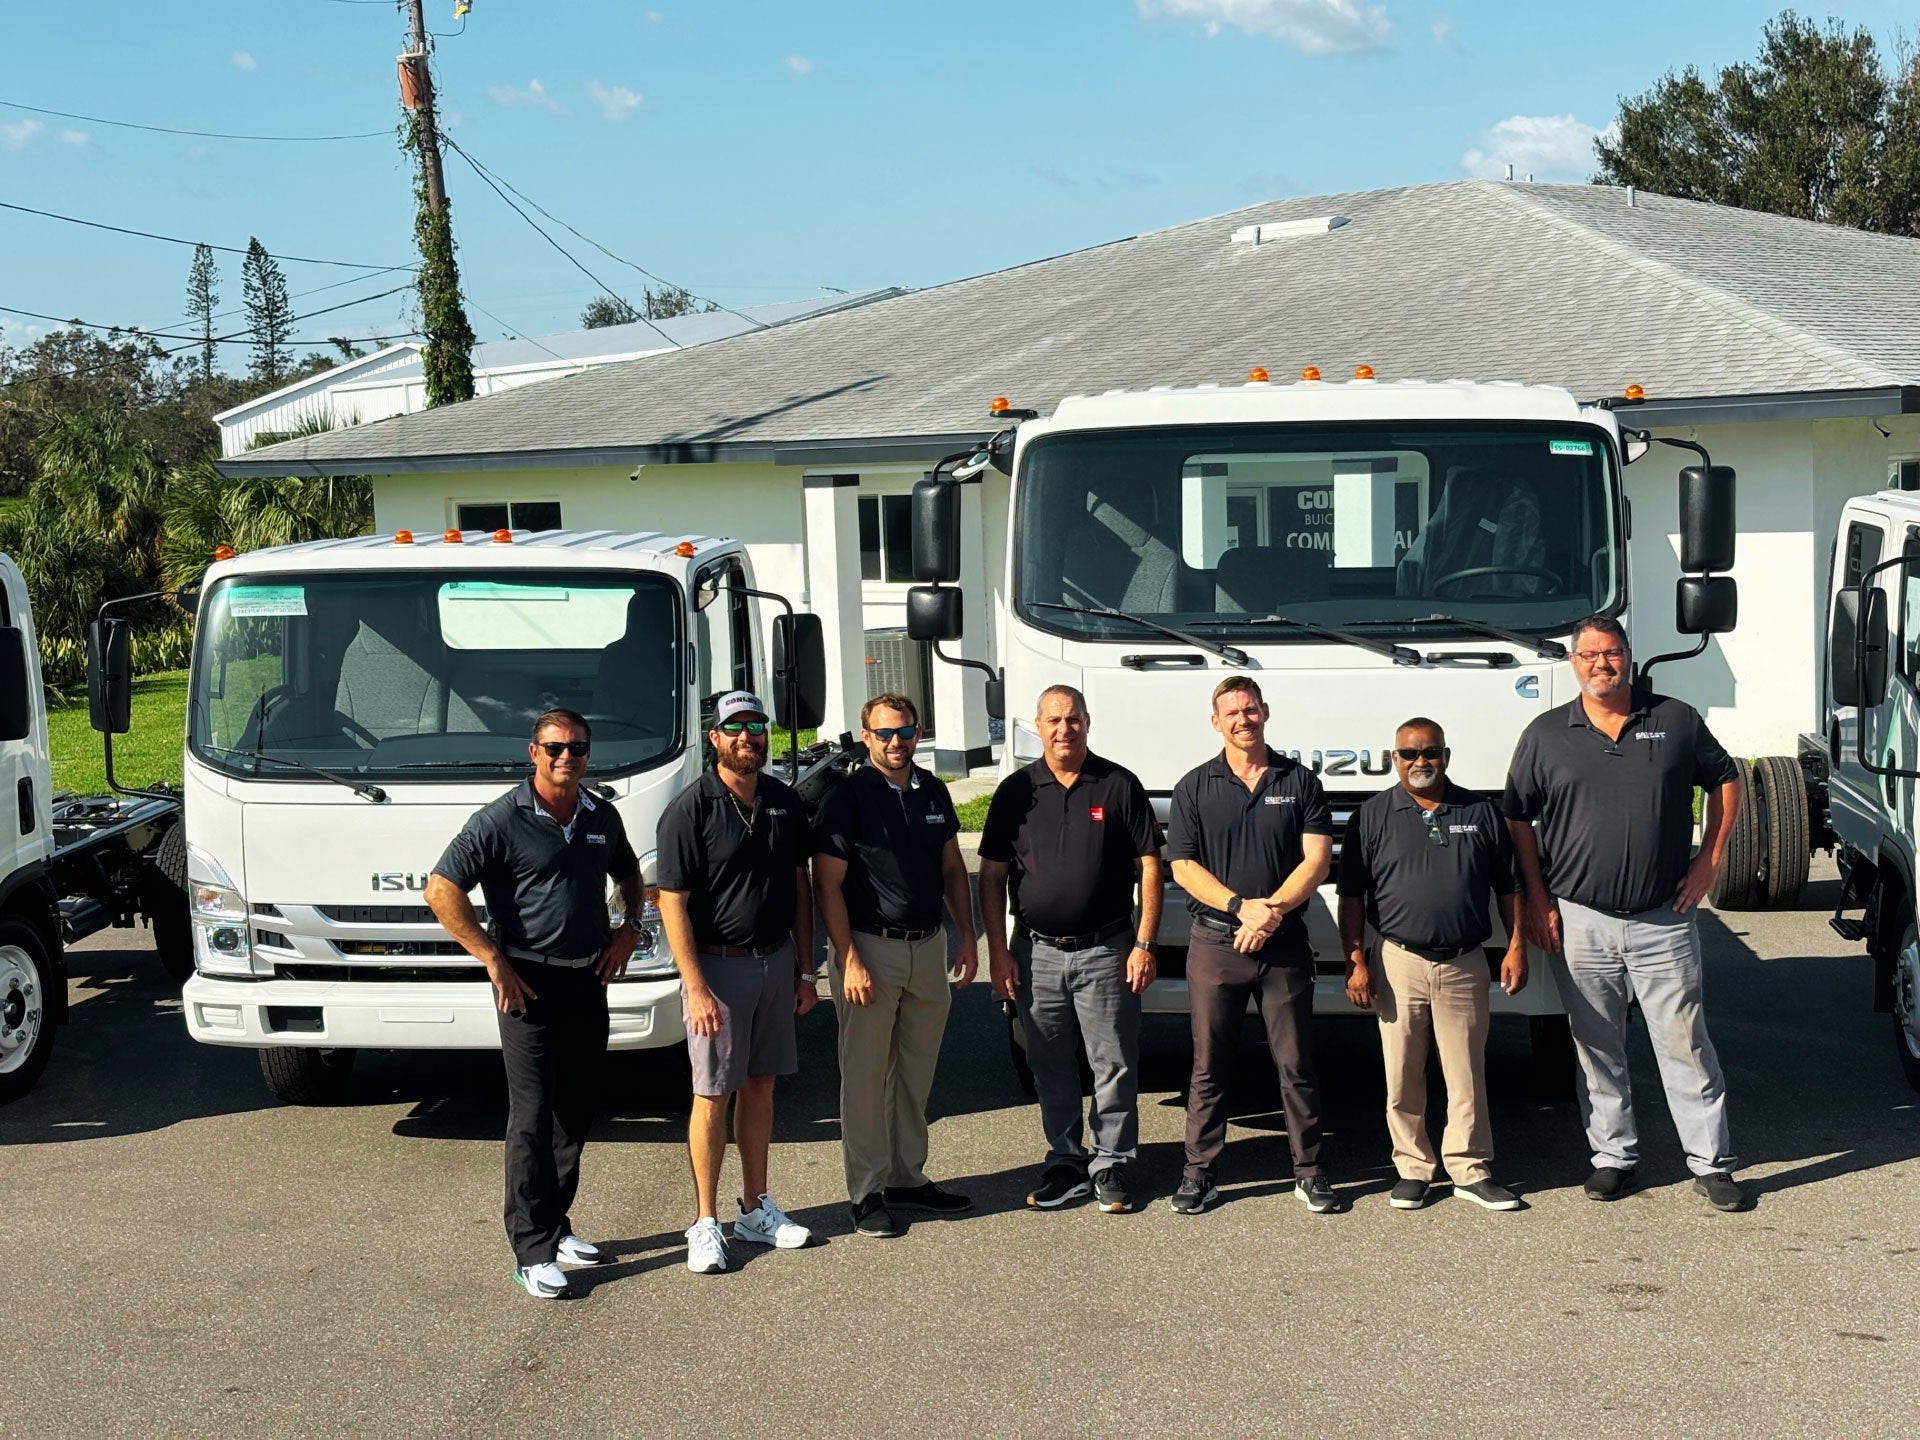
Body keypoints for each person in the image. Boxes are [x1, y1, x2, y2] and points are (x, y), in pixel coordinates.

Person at [1502, 615, 1747, 1212]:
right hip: (1580, 917)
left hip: (1663, 915)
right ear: (1573, 663)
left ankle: (1711, 1163)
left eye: (1610, 653)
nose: (1600, 665)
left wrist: (1709, 861)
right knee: (1595, 1045)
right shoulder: (1545, 733)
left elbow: (1728, 778)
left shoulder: (1675, 719)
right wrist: (1538, 902)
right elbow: (1516, 819)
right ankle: (1613, 1157)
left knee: (1685, 1042)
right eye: (1588, 655)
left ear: (1629, 656)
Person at [426, 709, 641, 1300]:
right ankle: (531, 1249)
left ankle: (556, 1223)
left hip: (587, 982)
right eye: (554, 748)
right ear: (533, 752)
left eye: (577, 748)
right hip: (528, 986)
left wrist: (630, 927)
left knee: (575, 1110)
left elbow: (629, 875)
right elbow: (440, 889)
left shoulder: (601, 815)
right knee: (531, 1116)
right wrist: (493, 958)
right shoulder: (500, 820)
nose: (566, 757)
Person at [980, 685, 1163, 1215]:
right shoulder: (1016, 791)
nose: (1065, 729)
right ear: (1037, 726)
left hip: (1108, 949)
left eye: (1074, 718)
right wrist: (999, 950)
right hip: (1036, 954)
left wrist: (1145, 942)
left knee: (1114, 1062)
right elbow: (991, 875)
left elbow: (1149, 864)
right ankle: (1065, 1160)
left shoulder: (1118, 784)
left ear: (1088, 722)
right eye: (1054, 719)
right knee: (1049, 1062)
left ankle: (1112, 1162)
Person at [656, 691, 817, 1276]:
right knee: (712, 1094)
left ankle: (754, 1208)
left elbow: (800, 885)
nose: (747, 737)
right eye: (735, 728)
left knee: (762, 1086)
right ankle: (704, 1223)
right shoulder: (689, 810)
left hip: (777, 964)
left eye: (756, 727)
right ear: (716, 738)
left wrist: (804, 968)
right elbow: (670, 900)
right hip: (717, 969)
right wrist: (693, 985)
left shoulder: (783, 802)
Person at [1165, 675, 1337, 1215]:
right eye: (1231, 712)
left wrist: (1272, 913)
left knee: (1296, 1063)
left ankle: (1309, 1172)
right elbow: (1183, 867)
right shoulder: (1194, 786)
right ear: (1216, 722)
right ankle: (1199, 1172)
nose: (1243, 719)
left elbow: (1316, 860)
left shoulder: (1300, 781)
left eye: (1250, 709)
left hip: (1283, 946)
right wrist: (1243, 908)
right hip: (1215, 945)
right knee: (1209, 1065)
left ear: (1266, 712)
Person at [1338, 717, 1526, 1212]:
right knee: (1402, 1073)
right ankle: (1413, 1169)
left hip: (1464, 962)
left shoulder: (1481, 812)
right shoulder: (1372, 815)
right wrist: (1355, 960)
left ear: (1447, 755)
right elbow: (1352, 896)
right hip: (1398, 961)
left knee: (1466, 1073)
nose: (1421, 762)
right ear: (1393, 758)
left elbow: (1508, 887)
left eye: (1431, 752)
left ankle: (1469, 1168)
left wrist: (1516, 946)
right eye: (1410, 753)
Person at [813, 692, 979, 1238]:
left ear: (918, 733)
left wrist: (967, 936)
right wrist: (851, 959)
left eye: (904, 732)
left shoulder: (932, 790)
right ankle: (866, 1192)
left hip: (928, 946)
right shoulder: (847, 797)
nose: (895, 742)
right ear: (866, 738)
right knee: (864, 1076)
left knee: (915, 1071)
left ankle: (907, 1176)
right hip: (870, 949)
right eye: (884, 733)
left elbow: (953, 868)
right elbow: (827, 885)